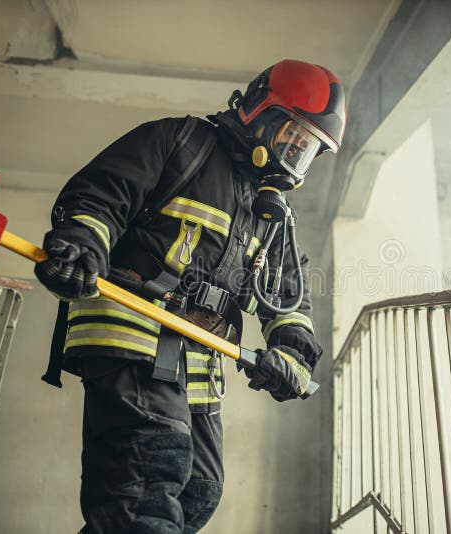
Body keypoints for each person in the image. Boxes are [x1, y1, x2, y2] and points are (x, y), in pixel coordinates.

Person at [34, 59, 346, 534]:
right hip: (133, 332)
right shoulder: (180, 142)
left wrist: (292, 354)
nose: (293, 153)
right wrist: (82, 243)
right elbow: (100, 195)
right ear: (261, 111)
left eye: (306, 149)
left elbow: (289, 299)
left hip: (197, 364)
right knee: (149, 483)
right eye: (291, 136)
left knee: (197, 492)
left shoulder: (271, 214)